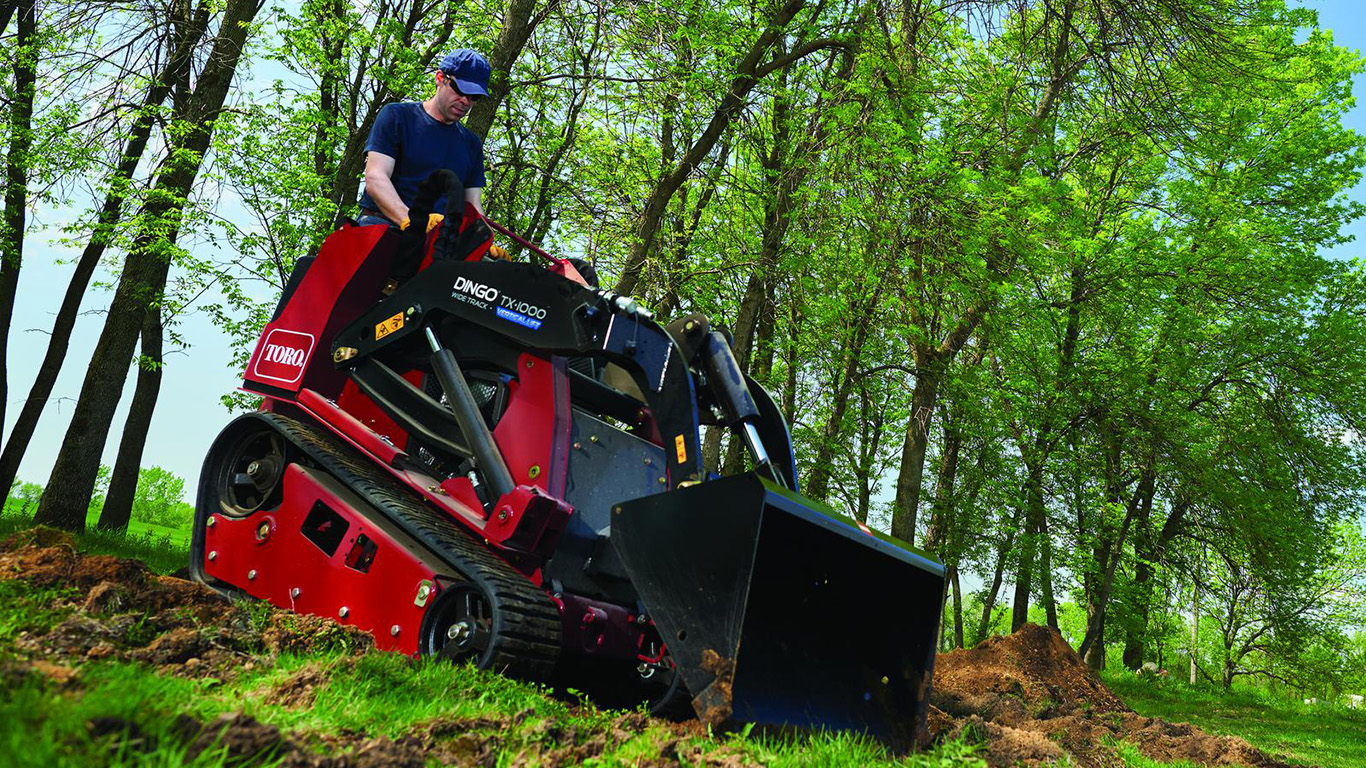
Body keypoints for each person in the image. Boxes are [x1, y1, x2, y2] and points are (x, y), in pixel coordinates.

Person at [357, 49, 491, 230]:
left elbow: (474, 207)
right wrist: (411, 221)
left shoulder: (471, 144)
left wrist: (483, 239)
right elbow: (376, 177)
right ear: (439, 78)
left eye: (474, 97)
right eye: (460, 89)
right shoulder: (398, 117)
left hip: (436, 242)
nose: (465, 101)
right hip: (383, 227)